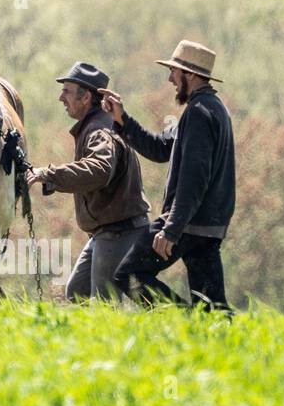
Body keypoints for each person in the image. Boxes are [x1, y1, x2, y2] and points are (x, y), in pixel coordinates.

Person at [100, 40, 236, 311]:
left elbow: (193, 180)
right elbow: (161, 148)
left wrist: (171, 229)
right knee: (212, 308)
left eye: (175, 71)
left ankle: (181, 322)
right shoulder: (213, 109)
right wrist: (122, 119)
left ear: (192, 75)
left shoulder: (198, 114)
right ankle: (212, 336)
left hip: (187, 223)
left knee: (129, 275)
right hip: (209, 226)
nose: (170, 78)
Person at [26, 62, 149, 301]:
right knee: (78, 292)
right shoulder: (97, 126)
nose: (61, 97)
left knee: (105, 305)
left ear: (86, 98)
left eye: (67, 91)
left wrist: (47, 174)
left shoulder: (99, 131)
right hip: (108, 231)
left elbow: (99, 169)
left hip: (118, 232)